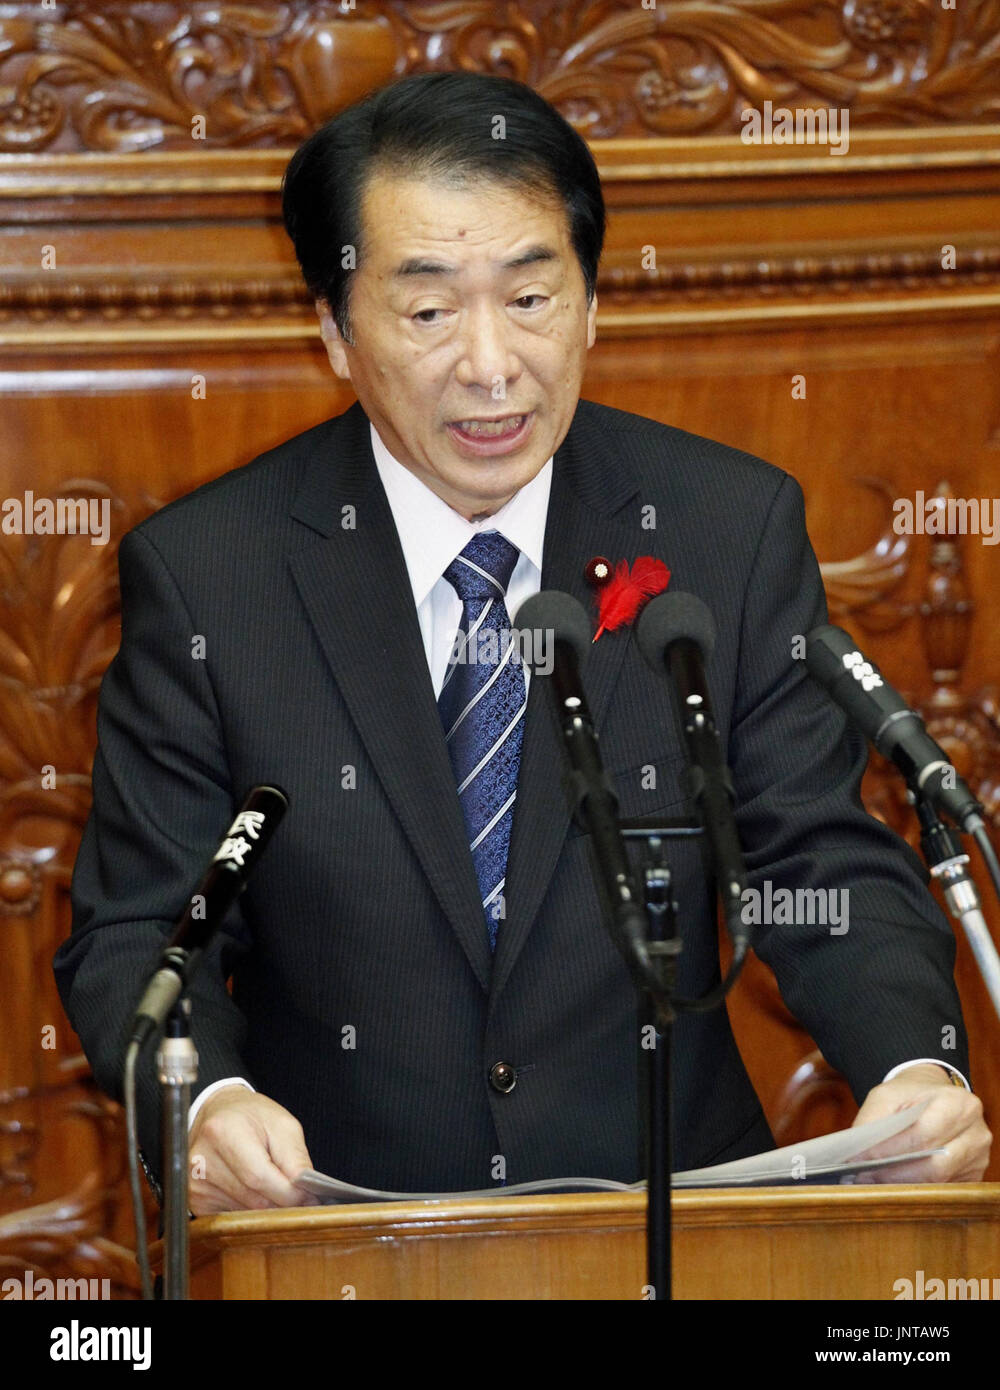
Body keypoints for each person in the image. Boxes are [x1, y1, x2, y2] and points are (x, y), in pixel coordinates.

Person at [54, 72, 990, 1215]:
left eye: (533, 298)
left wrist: (912, 1063)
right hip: (344, 1233)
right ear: (336, 332)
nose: (492, 364)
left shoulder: (721, 532)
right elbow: (146, 927)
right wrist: (207, 1102)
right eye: (429, 309)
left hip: (671, 1225)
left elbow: (816, 863)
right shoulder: (214, 574)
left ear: (592, 303)